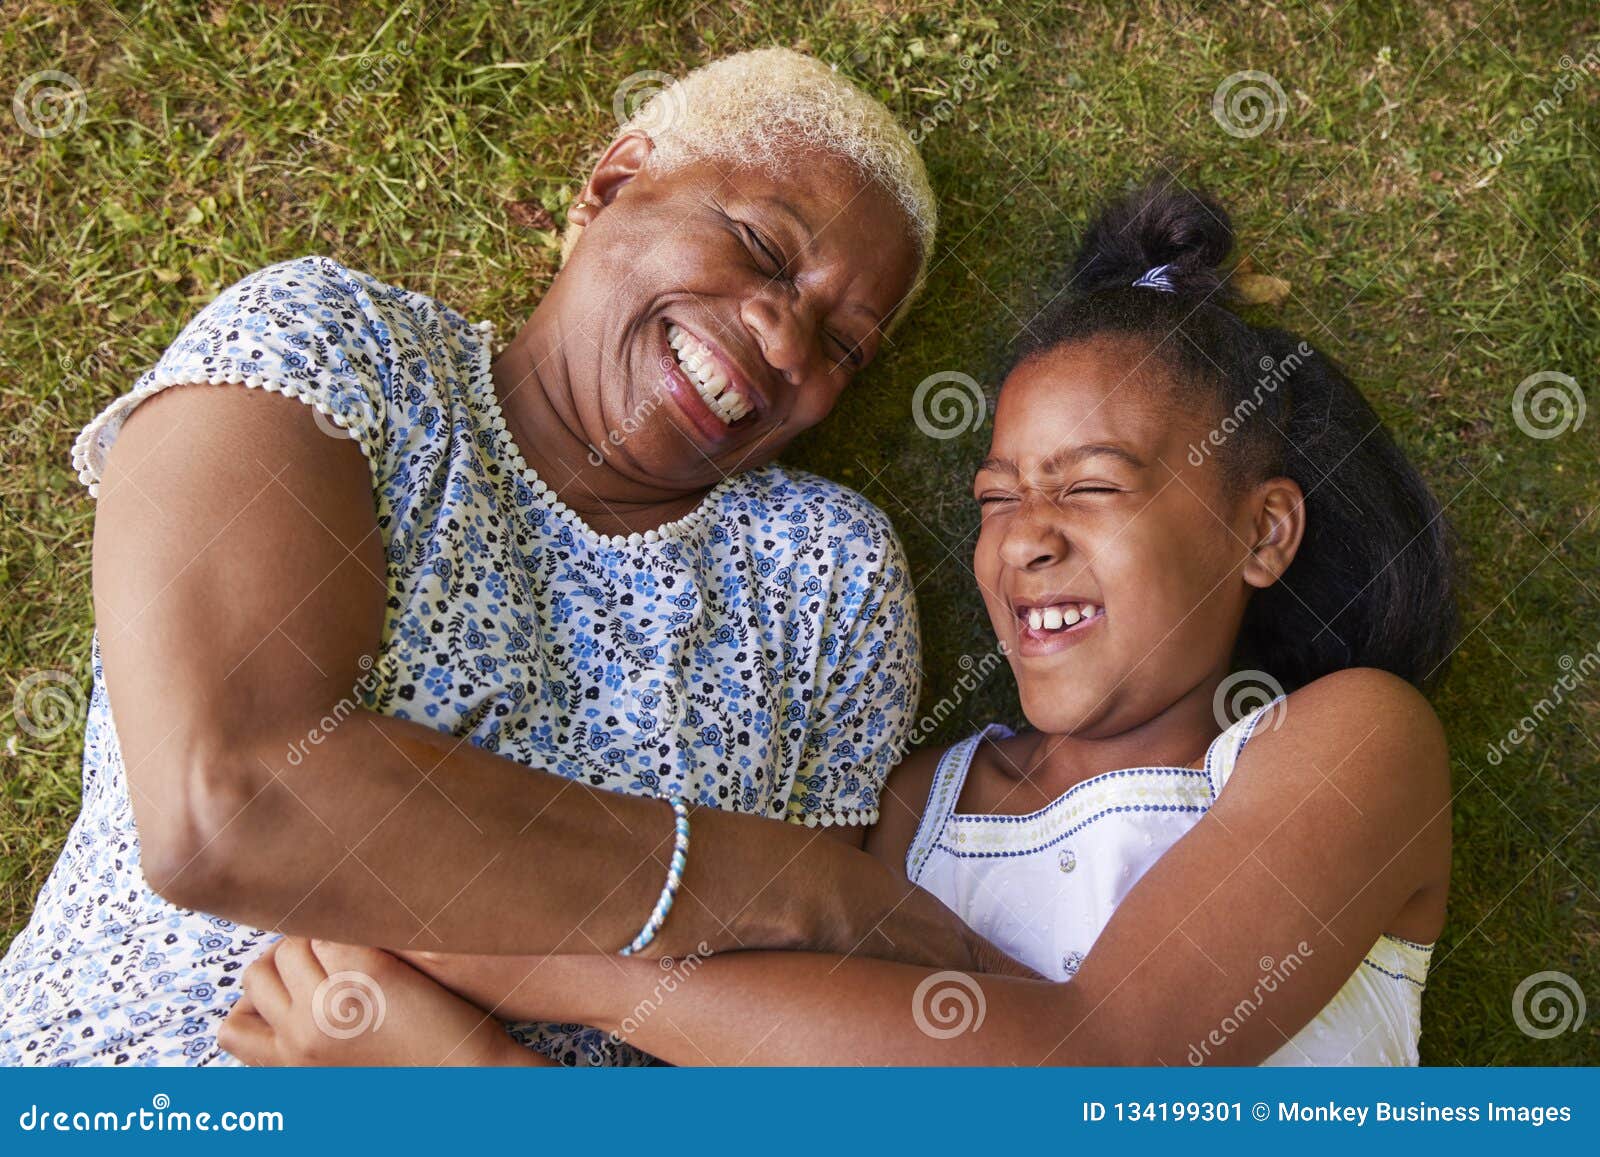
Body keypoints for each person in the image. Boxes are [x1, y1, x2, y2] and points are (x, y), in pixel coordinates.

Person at [221, 181, 1458, 1067]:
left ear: (1262, 532)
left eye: (1090, 484)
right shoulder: (920, 807)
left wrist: (506, 968)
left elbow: (1106, 1066)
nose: (1023, 536)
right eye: (993, 500)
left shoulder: (1349, 744)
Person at [0, 48, 1002, 1068]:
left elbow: (763, 1052)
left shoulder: (827, 577)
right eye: (764, 249)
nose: (789, 345)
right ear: (612, 185)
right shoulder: (336, 347)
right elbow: (235, 800)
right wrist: (790, 882)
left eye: (845, 346)